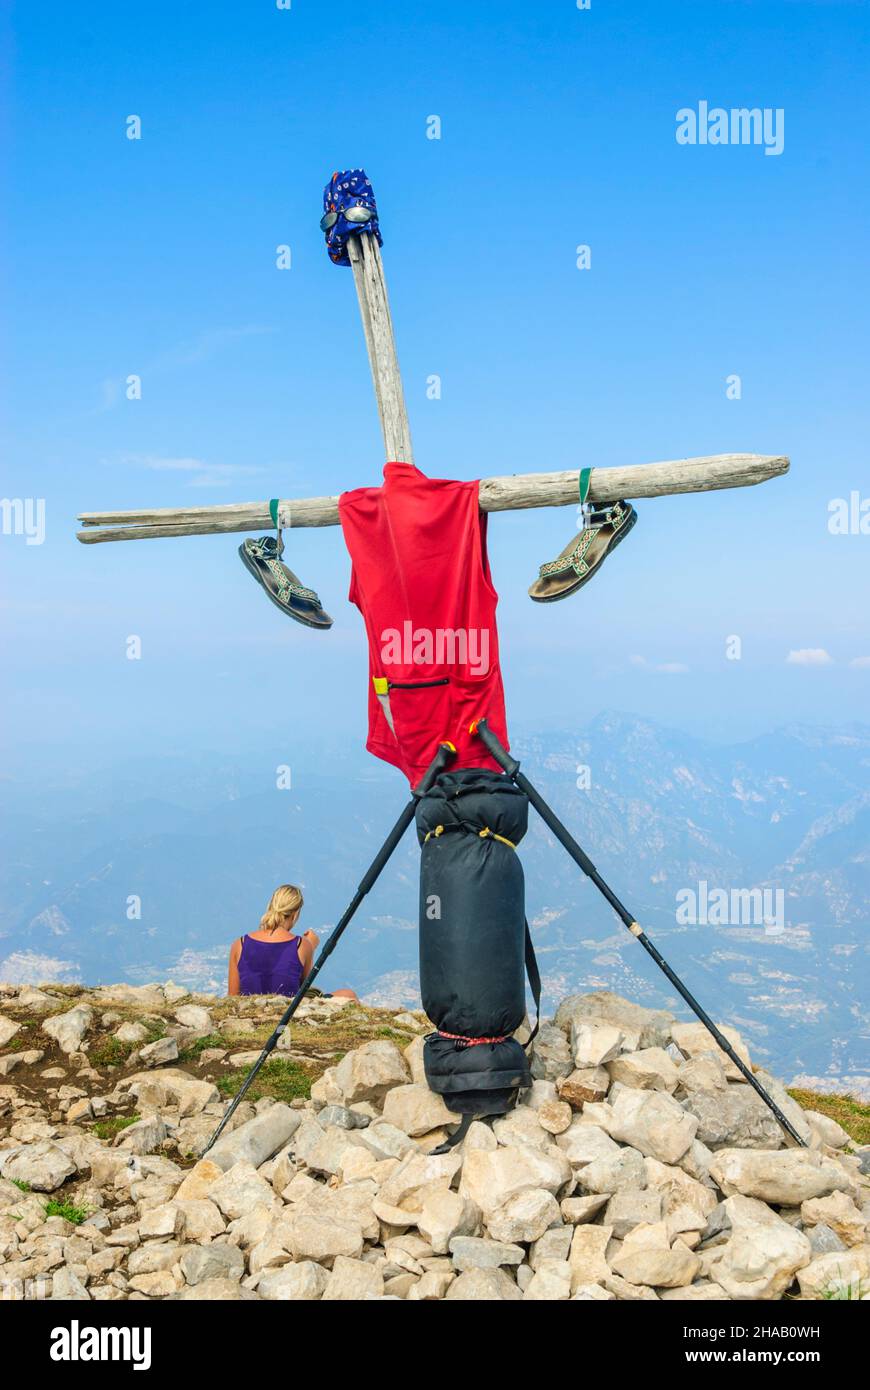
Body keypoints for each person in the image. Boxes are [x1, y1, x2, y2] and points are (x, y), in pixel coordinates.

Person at [227, 883, 357, 1000]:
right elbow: (304, 988)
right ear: (295, 914)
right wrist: (310, 946)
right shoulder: (302, 945)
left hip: (250, 1009)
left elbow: (232, 997)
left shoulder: (239, 944)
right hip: (288, 1011)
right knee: (348, 994)